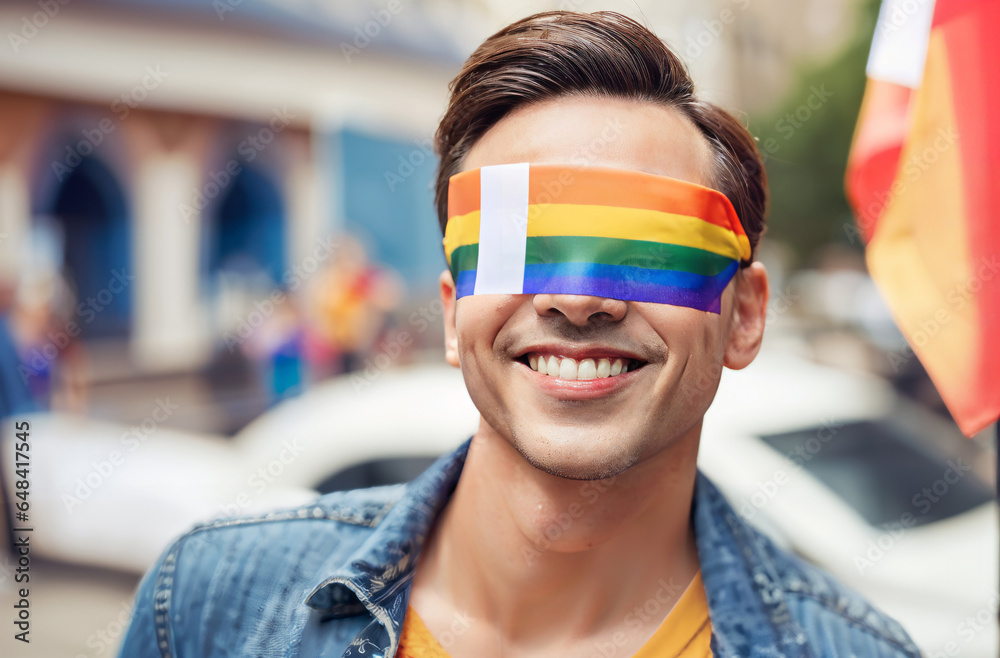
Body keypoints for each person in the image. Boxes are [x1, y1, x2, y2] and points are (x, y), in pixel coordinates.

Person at [119, 11, 920, 658]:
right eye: (516, 248)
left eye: (649, 252)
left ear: (744, 315)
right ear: (452, 311)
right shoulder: (207, 603)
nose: (576, 299)